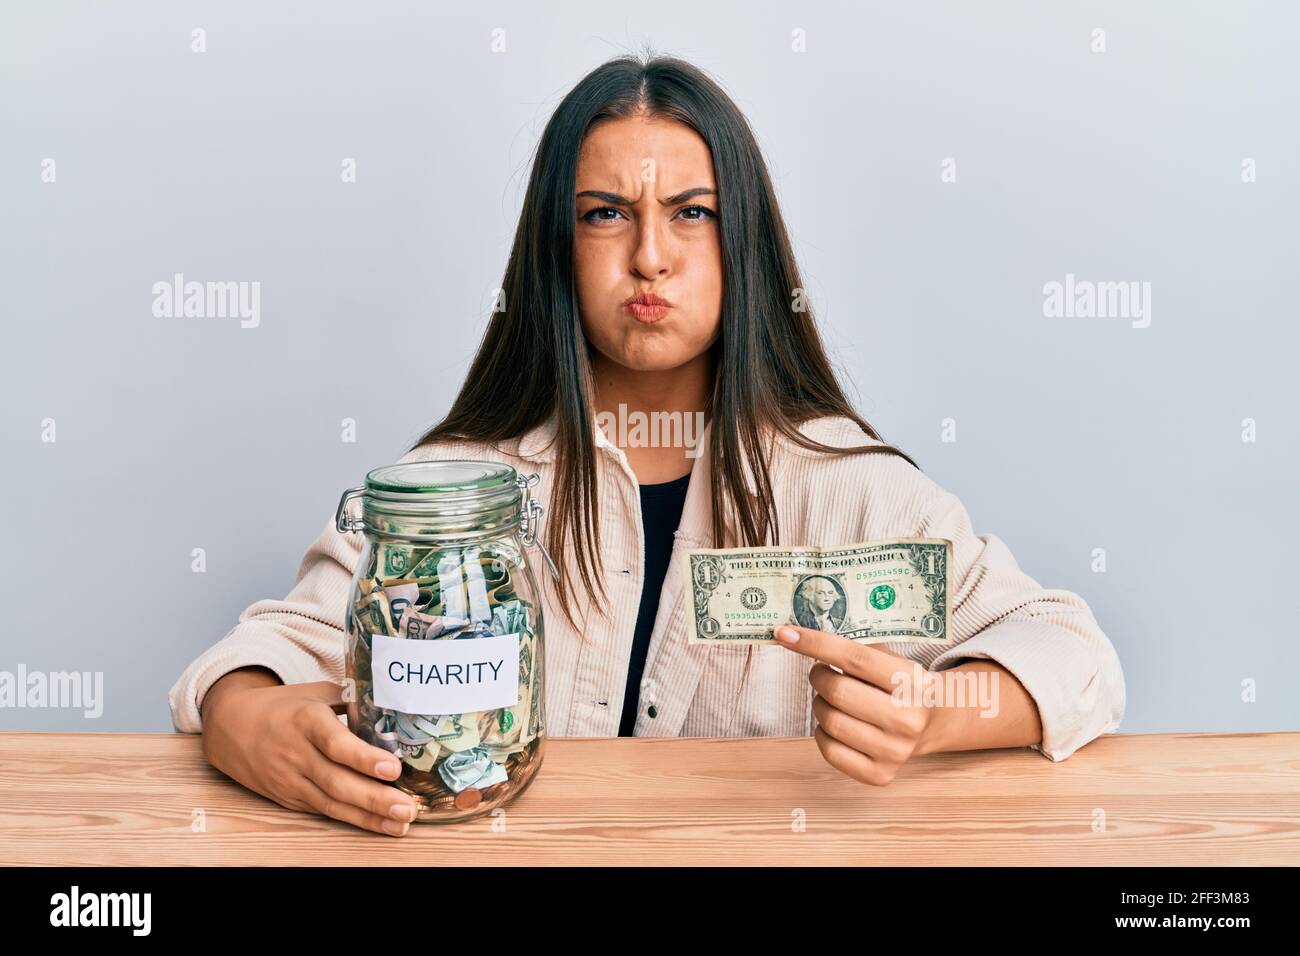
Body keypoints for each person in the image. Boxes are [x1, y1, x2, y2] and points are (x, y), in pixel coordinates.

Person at [172, 53, 1126, 838]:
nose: (651, 257)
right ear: (558, 247)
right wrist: (246, 718)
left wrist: (935, 714)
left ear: (741, 243)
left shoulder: (848, 489)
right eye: (606, 214)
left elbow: (1076, 654)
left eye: (692, 212)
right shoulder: (460, 486)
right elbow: (274, 648)